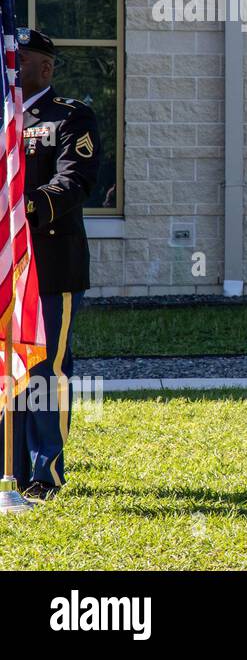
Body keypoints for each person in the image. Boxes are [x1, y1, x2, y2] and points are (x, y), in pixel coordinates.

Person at [4, 27, 101, 502]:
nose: (12, 69)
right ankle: (12, 469)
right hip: (9, 269)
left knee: (44, 371)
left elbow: (75, 180)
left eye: (19, 60)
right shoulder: (3, 119)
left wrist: (27, 208)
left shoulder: (70, 118)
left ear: (45, 66)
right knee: (9, 369)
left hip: (50, 265)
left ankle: (46, 475)